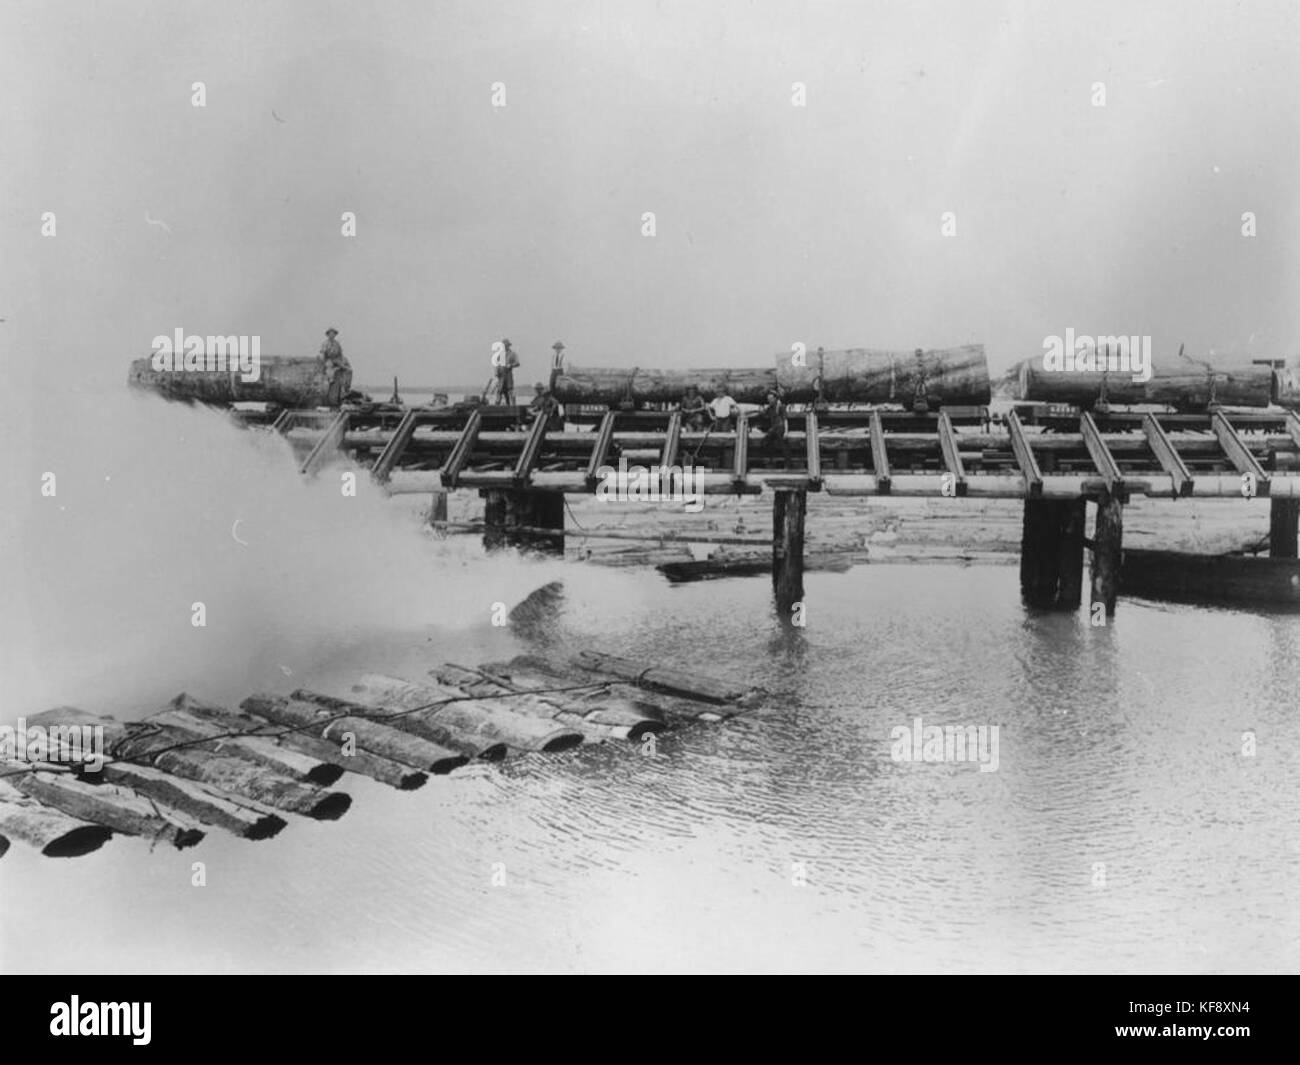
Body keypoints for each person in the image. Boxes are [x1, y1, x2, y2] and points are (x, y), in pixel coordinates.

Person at [319, 327, 352, 407]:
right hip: (329, 359)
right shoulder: (325, 343)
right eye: (330, 334)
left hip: (336, 360)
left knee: (348, 370)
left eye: (333, 334)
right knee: (330, 370)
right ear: (328, 335)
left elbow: (340, 354)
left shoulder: (337, 343)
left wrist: (343, 362)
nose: (332, 335)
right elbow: (322, 353)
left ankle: (346, 387)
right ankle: (331, 380)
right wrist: (323, 361)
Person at [496, 338, 520, 405]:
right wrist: (497, 372)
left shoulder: (513, 354)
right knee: (499, 391)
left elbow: (517, 363)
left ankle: (513, 405)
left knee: (510, 390)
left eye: (505, 345)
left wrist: (511, 365)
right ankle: (497, 405)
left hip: (508, 374)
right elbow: (497, 364)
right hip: (501, 376)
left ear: (508, 345)